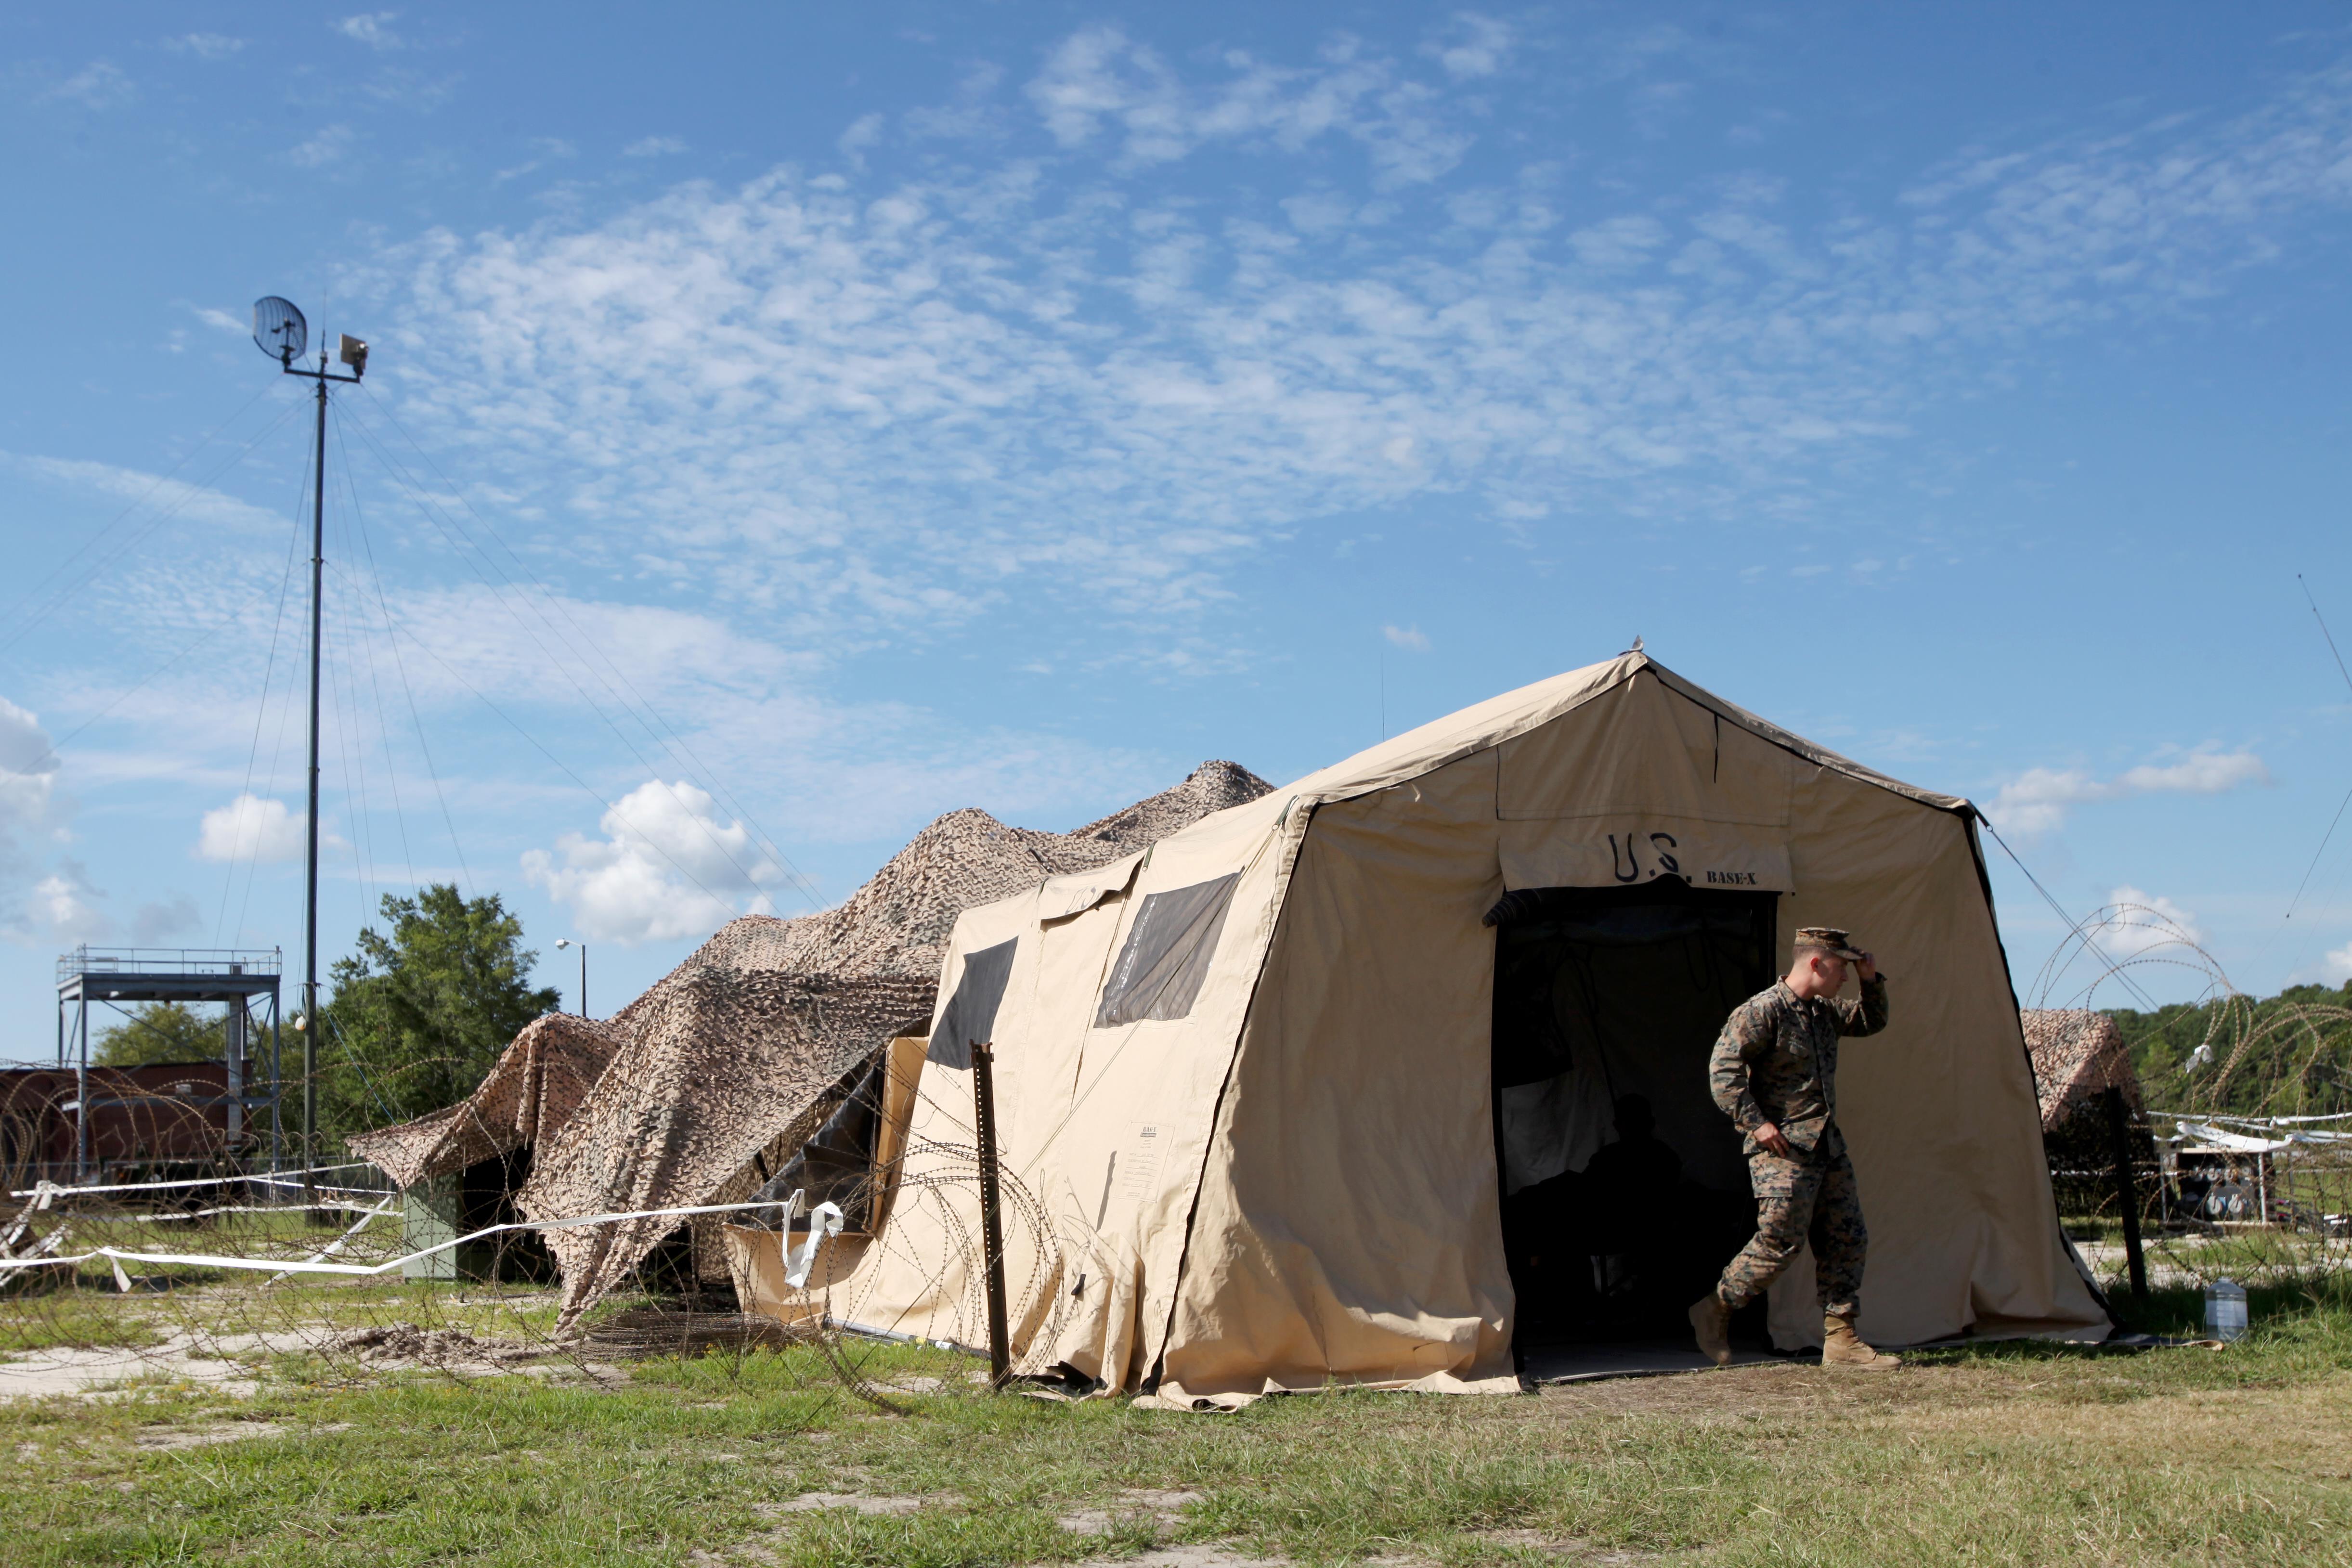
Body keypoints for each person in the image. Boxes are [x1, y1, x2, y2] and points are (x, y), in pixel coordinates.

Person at [1689, 927, 1900, 1370]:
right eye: (1841, 967)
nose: (1844, 976)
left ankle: (1842, 1341)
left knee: (1847, 1238)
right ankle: (1716, 1306)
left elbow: (1869, 1021)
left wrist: (1869, 978)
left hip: (1826, 1144)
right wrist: (1757, 1123)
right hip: (1782, 1147)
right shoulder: (1762, 1010)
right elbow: (1722, 1071)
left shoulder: (1822, 1011)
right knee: (1779, 1242)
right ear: (1816, 964)